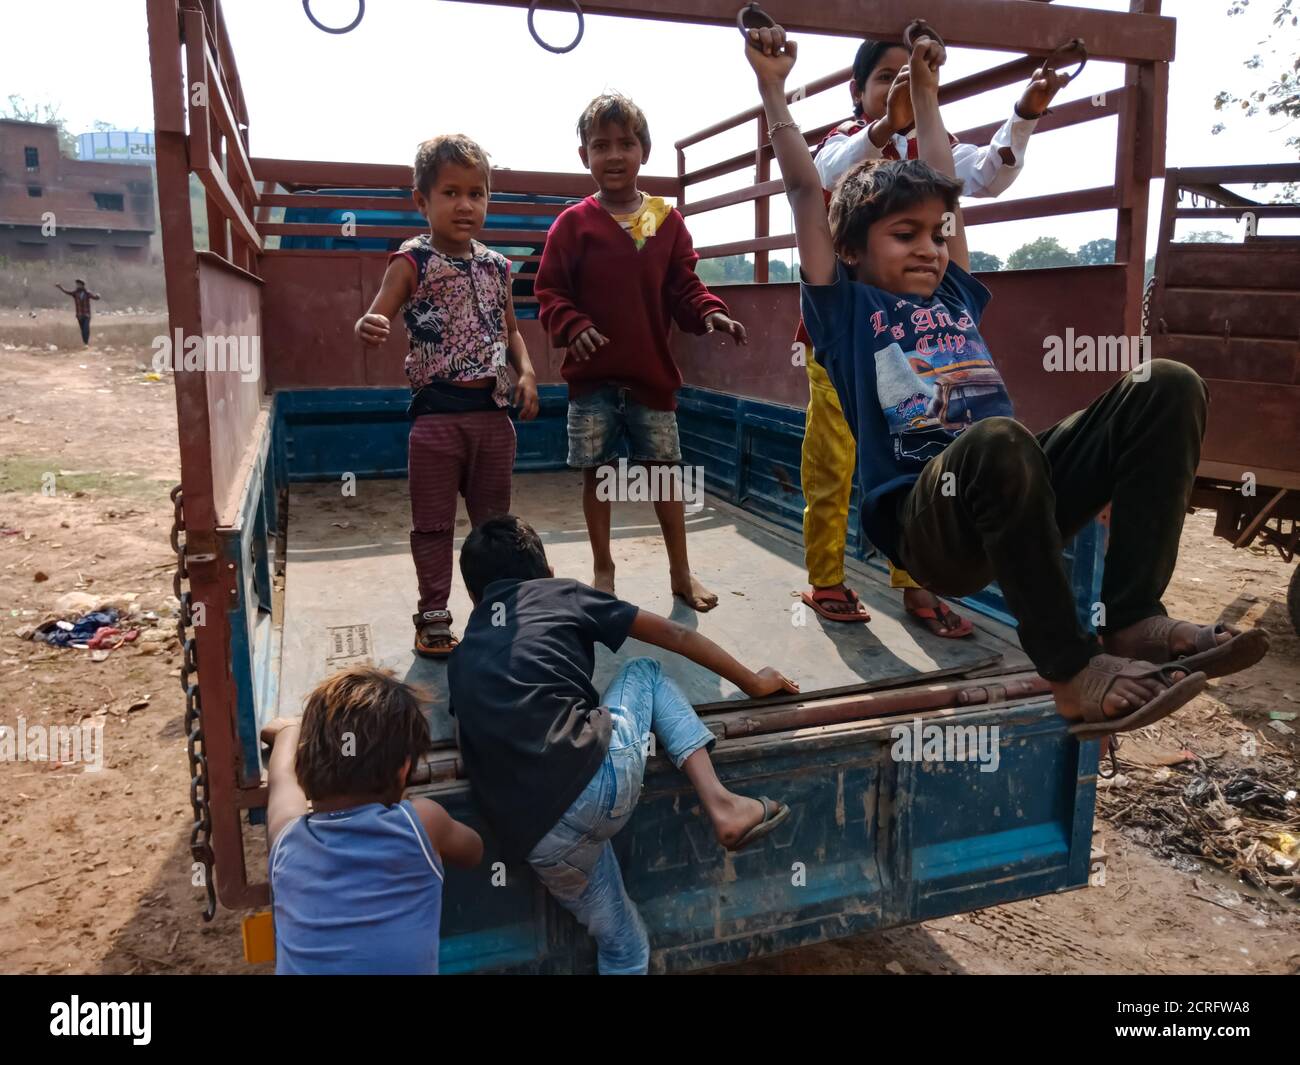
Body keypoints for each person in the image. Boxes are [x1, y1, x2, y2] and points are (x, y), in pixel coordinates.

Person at [744, 22, 1269, 741]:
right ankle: (1070, 672)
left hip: (1012, 491)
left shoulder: (954, 295)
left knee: (1166, 386)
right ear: (852, 252)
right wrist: (772, 86)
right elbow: (807, 189)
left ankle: (1134, 617)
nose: (930, 248)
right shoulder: (845, 309)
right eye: (905, 235)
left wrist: (927, 93)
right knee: (998, 441)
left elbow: (945, 180)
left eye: (938, 233)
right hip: (929, 522)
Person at [799, 35, 1070, 636]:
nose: (896, 84)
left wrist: (1023, 114)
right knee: (834, 465)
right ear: (858, 91)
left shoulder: (933, 149)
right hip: (851, 342)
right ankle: (825, 576)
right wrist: (884, 127)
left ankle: (920, 583)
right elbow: (820, 175)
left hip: (924, 346)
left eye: (907, 74)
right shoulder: (843, 141)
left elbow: (983, 176)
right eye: (883, 77)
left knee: (928, 443)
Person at [447, 515, 794, 974]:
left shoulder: (462, 654)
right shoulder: (561, 593)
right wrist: (753, 681)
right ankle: (723, 804)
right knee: (644, 672)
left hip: (539, 840)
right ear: (547, 571)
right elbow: (675, 634)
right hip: (595, 783)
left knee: (623, 945)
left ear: (474, 597)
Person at [535, 93, 747, 612]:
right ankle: (603, 571)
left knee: (664, 474)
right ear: (583, 155)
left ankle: (681, 572)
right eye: (600, 145)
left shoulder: (662, 220)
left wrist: (709, 312)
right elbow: (549, 292)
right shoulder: (574, 224)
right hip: (594, 380)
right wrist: (573, 324)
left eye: (625, 144)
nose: (613, 155)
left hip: (651, 377)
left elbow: (683, 285)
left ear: (644, 151)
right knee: (599, 476)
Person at [355, 134, 540, 657]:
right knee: (433, 524)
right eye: (451, 193)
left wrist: (526, 373)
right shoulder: (412, 260)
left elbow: (512, 332)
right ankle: (434, 613)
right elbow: (380, 311)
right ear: (422, 201)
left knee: (495, 528)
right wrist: (370, 324)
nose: (465, 205)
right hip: (437, 419)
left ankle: (495, 610)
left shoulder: (498, 267)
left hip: (492, 416)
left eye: (477, 193)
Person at [262, 667, 484, 974]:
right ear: (404, 768)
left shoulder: (286, 836)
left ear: (306, 763)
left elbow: (282, 777)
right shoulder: (422, 822)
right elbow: (474, 851)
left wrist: (288, 732)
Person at [55, 279, 99, 346]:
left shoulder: (87, 293)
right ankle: (85, 342)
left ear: (82, 285)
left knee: (86, 328)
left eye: (79, 284)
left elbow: (94, 297)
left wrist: (98, 296)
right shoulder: (75, 293)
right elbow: (67, 292)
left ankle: (86, 343)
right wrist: (60, 287)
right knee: (82, 330)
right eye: (77, 284)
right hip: (79, 315)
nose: (77, 285)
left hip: (86, 314)